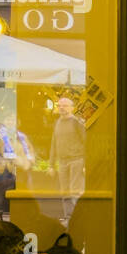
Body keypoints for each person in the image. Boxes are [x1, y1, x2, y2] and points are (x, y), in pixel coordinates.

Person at [49, 97, 86, 227]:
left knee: (75, 192)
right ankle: (68, 218)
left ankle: (79, 219)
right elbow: (54, 143)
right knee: (65, 192)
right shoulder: (57, 123)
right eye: (59, 105)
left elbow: (86, 143)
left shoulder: (77, 123)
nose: (62, 108)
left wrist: (86, 164)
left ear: (72, 107)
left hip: (77, 160)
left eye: (65, 105)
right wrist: (51, 165)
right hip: (62, 162)